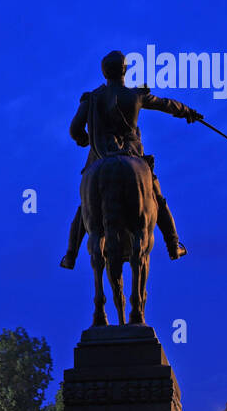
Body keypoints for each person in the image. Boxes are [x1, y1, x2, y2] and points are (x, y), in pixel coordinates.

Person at [60, 51, 203, 269]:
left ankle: (70, 255)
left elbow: (74, 130)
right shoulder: (136, 95)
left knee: (85, 207)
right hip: (131, 154)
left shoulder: (91, 98)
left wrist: (85, 140)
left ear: (104, 72)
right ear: (125, 70)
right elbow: (166, 104)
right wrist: (188, 112)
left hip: (99, 156)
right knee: (156, 195)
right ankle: (173, 244)